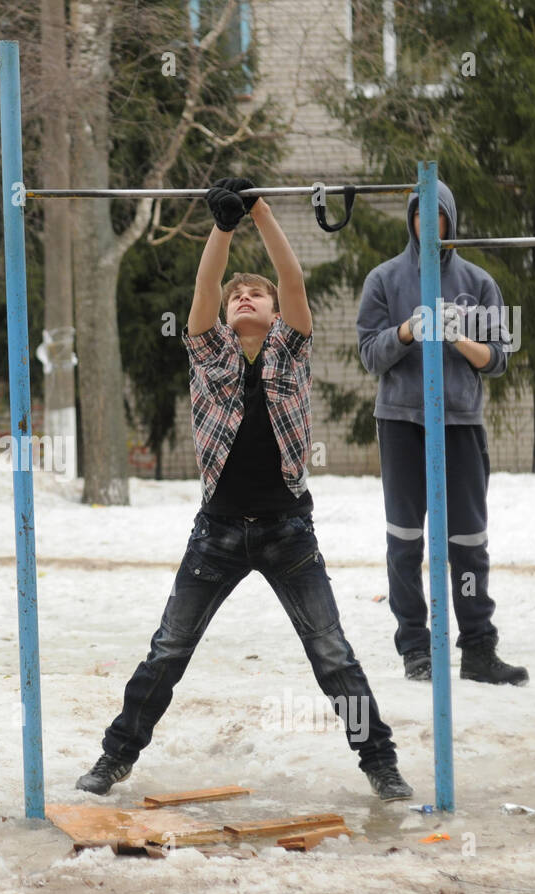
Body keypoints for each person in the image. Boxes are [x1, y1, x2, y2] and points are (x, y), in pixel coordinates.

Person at [76, 178, 413, 802]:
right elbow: (207, 288)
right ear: (227, 316)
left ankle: (380, 762)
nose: (249, 299)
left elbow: (293, 280)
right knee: (169, 648)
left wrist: (259, 211)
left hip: (289, 530)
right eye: (241, 297)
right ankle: (113, 757)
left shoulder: (292, 350)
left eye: (258, 295)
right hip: (219, 533)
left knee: (332, 653)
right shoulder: (208, 354)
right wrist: (223, 227)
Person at [357, 181, 527, 686]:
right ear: (410, 218)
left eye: (438, 217)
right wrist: (409, 331)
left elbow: (499, 358)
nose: (429, 226)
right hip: (402, 423)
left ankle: (477, 648)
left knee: (468, 540)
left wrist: (459, 337)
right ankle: (416, 647)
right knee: (405, 540)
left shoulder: (478, 283)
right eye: (420, 215)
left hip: (460, 424)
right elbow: (369, 353)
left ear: (452, 219)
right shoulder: (384, 279)